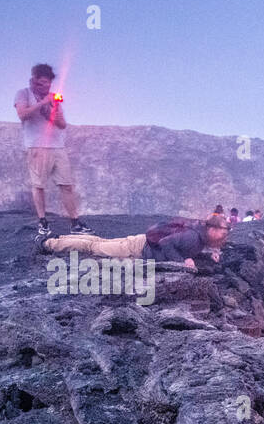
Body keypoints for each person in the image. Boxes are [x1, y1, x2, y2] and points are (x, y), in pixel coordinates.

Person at [14, 63, 90, 239]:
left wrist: (52, 110)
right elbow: (22, 114)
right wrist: (42, 103)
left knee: (66, 184)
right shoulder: (23, 93)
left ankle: (75, 223)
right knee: (39, 185)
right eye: (41, 83)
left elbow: (62, 124)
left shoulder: (52, 97)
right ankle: (43, 222)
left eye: (48, 84)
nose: (45, 87)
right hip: (37, 145)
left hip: (57, 146)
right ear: (33, 80)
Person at [38, 213, 230, 270]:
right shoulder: (193, 237)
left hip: (139, 243)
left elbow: (184, 247)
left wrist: (206, 255)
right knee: (94, 247)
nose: (224, 237)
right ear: (212, 229)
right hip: (137, 248)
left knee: (98, 242)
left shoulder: (199, 234)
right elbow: (167, 244)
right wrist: (182, 262)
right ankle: (48, 245)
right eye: (223, 232)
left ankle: (60, 239)